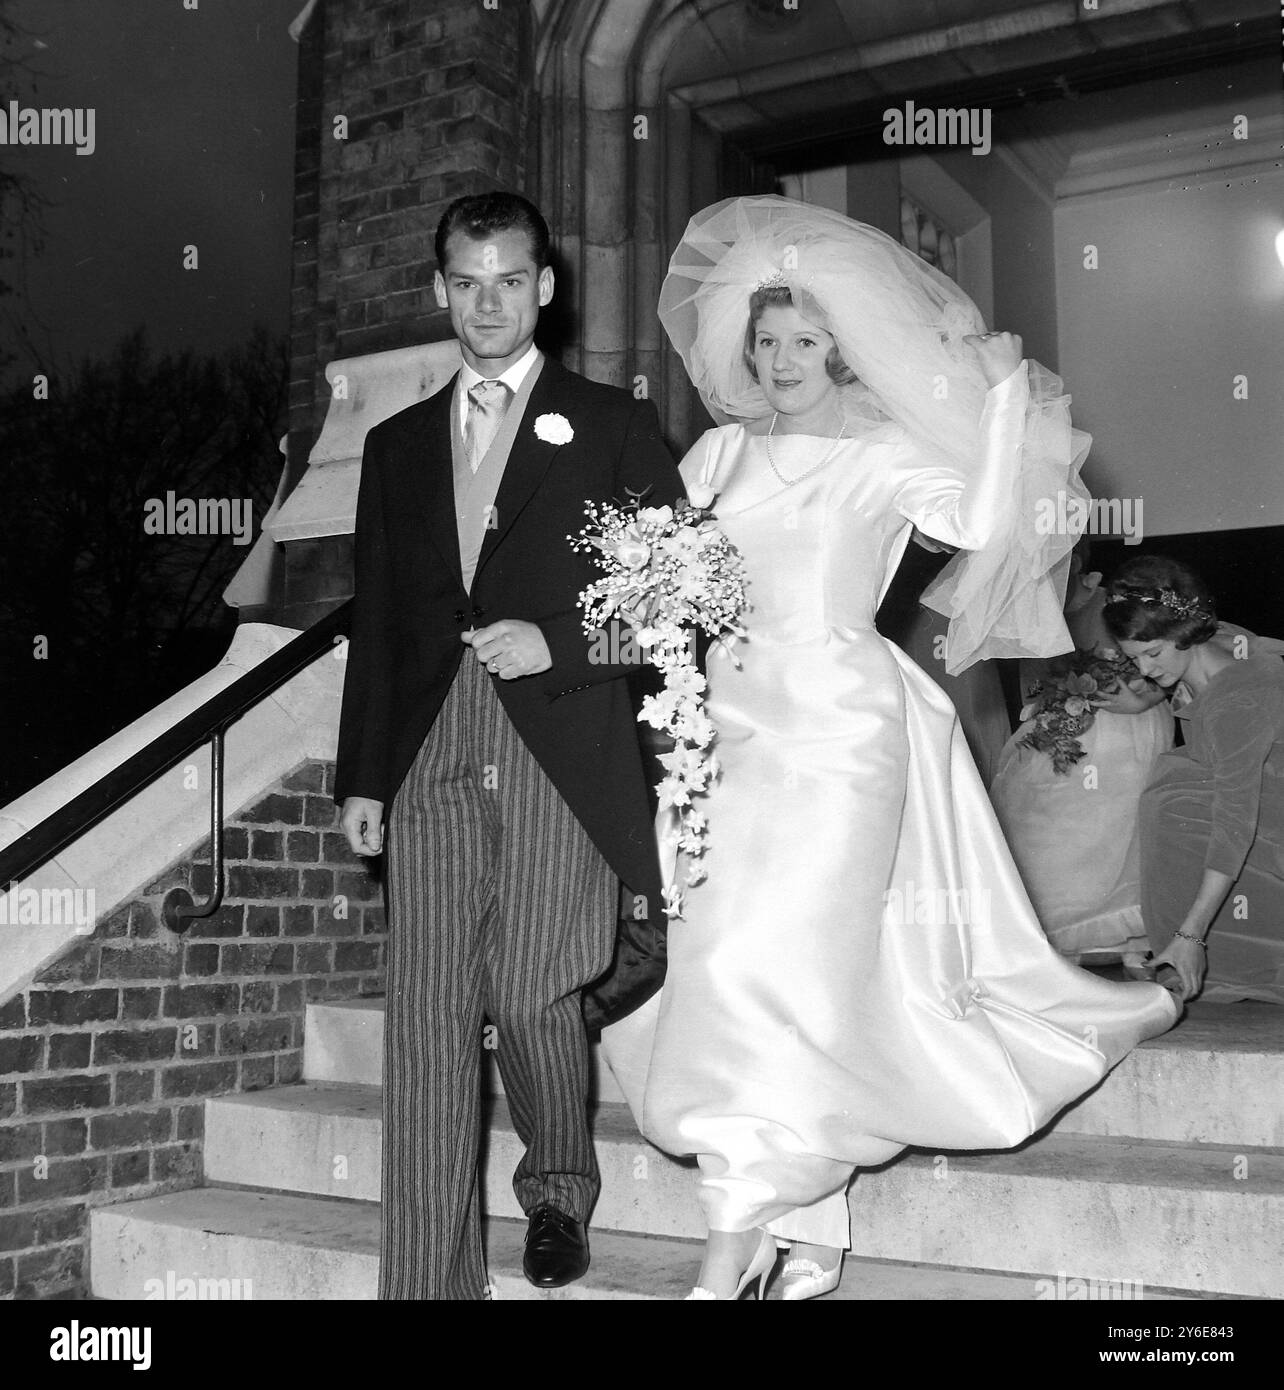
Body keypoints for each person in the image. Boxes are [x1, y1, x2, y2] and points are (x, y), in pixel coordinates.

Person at [601, 195, 1178, 1301]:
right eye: (767, 341)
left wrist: (1004, 404)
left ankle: (731, 1240)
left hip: (841, 729)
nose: (782, 360)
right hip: (719, 731)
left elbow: (974, 520)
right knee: (735, 964)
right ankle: (811, 1221)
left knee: (784, 961)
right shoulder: (717, 455)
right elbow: (661, 573)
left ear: (843, 347)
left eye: (806, 341)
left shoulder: (878, 451)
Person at [334, 191, 682, 1299]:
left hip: (560, 745)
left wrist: (567, 638)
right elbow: (380, 620)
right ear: (442, 290)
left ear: (545, 287)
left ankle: (559, 1182)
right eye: (466, 281)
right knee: (430, 1022)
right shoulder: (393, 447)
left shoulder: (615, 423)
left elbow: (683, 602)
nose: (487, 302)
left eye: (508, 279)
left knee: (534, 989)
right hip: (429, 743)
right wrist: (362, 775)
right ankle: (426, 1287)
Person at [1103, 556, 1284, 1004]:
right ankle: (1185, 949)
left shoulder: (1237, 701)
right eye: (1134, 657)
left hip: (1267, 808)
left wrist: (1193, 932)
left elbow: (1234, 822)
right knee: (1170, 797)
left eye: (1152, 653)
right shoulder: (1213, 640)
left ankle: (1194, 947)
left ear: (1183, 635)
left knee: (1173, 807)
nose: (1144, 670)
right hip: (1252, 782)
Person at [989, 539, 1174, 963]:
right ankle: (1053, 940)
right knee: (1030, 807)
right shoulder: (1030, 608)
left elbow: (1161, 658)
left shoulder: (1114, 600)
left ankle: (1128, 938)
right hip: (1064, 719)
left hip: (1126, 718)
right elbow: (1035, 681)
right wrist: (1051, 711)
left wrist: (1142, 697)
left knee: (1114, 818)